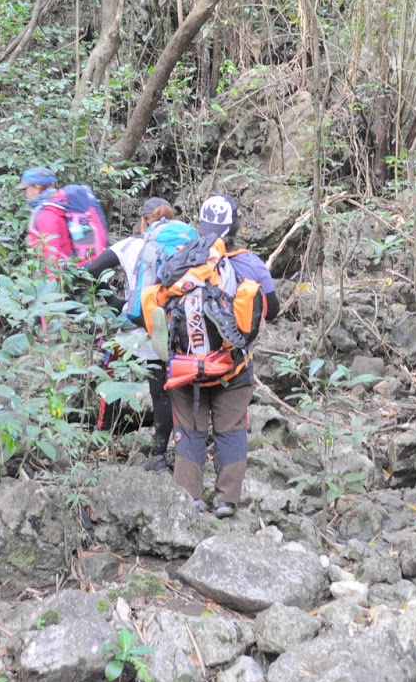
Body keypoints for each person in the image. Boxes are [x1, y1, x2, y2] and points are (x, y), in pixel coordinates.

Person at [168, 194, 281, 516]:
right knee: (231, 429)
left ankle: (189, 499)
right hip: (233, 366)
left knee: (190, 430)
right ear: (237, 226)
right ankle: (226, 501)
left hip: (186, 367)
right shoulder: (251, 263)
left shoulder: (181, 259)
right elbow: (272, 309)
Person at [81, 197, 177, 469]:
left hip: (129, 327)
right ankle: (159, 454)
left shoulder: (130, 245)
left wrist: (115, 303)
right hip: (163, 328)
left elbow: (91, 273)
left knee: (110, 381)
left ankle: (101, 442)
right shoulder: (180, 246)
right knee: (161, 392)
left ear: (144, 219)